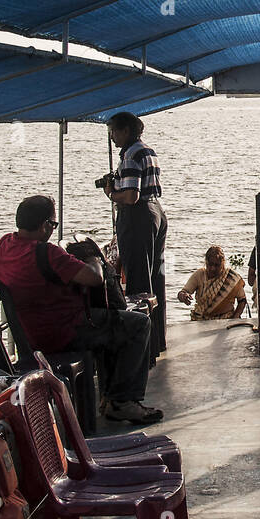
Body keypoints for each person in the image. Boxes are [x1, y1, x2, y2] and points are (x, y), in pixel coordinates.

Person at [0, 195, 163, 424]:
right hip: (62, 332)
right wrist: (93, 259)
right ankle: (122, 401)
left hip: (28, 332)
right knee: (138, 324)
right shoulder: (47, 254)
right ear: (44, 226)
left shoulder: (4, 245)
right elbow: (93, 278)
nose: (52, 230)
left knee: (114, 324)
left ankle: (110, 396)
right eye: (53, 225)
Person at [103, 112, 168, 365]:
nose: (111, 137)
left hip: (138, 216)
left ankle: (144, 353)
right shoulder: (148, 151)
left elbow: (131, 196)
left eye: (114, 131)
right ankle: (157, 341)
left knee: (139, 282)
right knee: (156, 277)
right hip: (156, 213)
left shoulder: (130, 156)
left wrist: (111, 192)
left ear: (126, 131)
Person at [177, 245, 248, 320]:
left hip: (225, 320)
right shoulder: (199, 275)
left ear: (223, 263)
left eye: (217, 265)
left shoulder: (232, 278)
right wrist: (183, 296)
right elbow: (183, 292)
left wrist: (235, 318)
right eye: (210, 264)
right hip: (201, 320)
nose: (213, 268)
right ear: (206, 262)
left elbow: (242, 300)